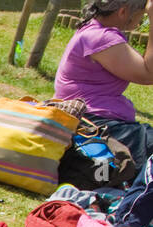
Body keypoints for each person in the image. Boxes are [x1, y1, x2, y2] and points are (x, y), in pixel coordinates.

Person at [54, 0, 153, 167]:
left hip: (91, 120)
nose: (141, 20)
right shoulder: (101, 38)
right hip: (95, 123)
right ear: (123, 12)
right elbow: (148, 74)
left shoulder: (92, 30)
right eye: (141, 15)